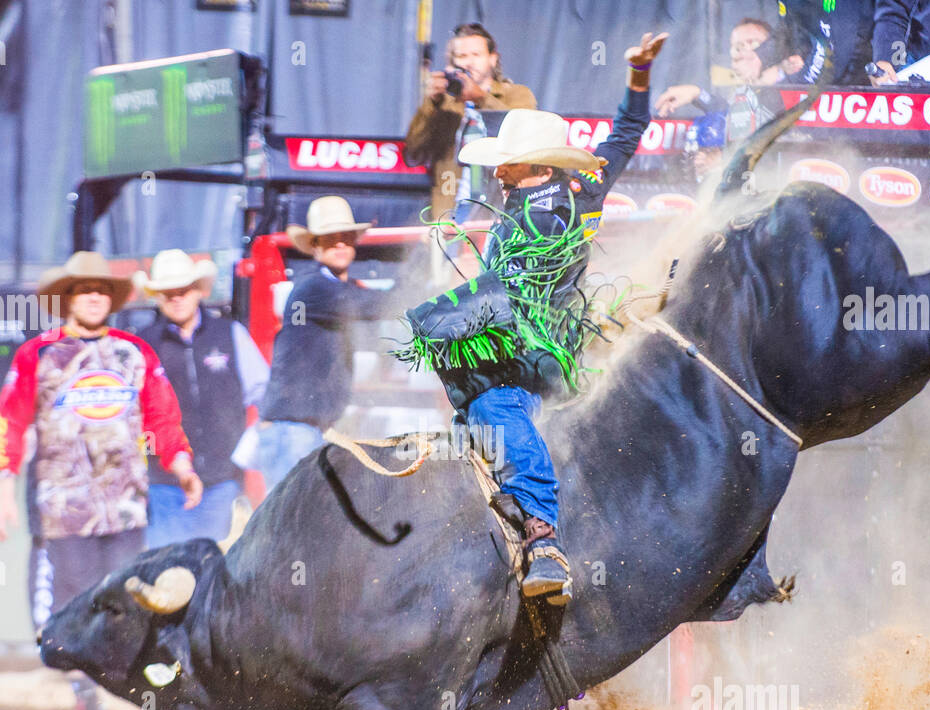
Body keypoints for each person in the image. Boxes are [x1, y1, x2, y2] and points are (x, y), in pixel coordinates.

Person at [397, 31, 668, 606]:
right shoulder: (582, 189)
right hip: (528, 334)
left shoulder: (563, 201)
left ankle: (543, 536)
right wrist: (638, 75)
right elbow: (625, 134)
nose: (496, 174)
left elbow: (625, 135)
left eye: (506, 165)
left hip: (546, 347)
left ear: (530, 165)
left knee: (493, 401)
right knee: (470, 410)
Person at [0, 251, 202, 710]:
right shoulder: (38, 355)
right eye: (84, 288)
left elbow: (162, 418)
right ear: (66, 297)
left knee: (128, 603)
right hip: (64, 510)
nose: (93, 296)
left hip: (126, 505)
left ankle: (137, 691)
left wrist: (183, 466)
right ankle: (86, 700)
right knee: (75, 605)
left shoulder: (134, 352)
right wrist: (5, 489)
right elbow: (12, 422)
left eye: (102, 289)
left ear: (112, 298)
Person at [257, 196, 409, 492]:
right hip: (294, 429)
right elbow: (386, 305)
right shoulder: (315, 289)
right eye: (330, 240)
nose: (340, 245)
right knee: (294, 521)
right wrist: (420, 260)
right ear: (315, 246)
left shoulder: (328, 288)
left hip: (302, 428)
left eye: (346, 238)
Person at [132, 249, 268, 547]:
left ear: (197, 291)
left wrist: (250, 449)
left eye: (183, 290)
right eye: (168, 293)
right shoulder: (143, 344)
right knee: (164, 573)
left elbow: (264, 393)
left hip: (224, 480)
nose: (177, 298)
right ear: (157, 297)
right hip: (163, 484)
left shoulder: (230, 334)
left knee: (218, 569)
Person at [403, 22, 537, 223]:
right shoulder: (444, 105)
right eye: (462, 56)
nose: (469, 63)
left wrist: (480, 98)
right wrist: (432, 104)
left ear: (493, 59)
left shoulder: (517, 95)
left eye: (476, 55)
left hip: (502, 212)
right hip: (451, 215)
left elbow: (525, 136)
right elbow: (413, 154)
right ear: (452, 62)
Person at [654, 20, 789, 142]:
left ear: (773, 49)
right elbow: (729, 114)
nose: (744, 52)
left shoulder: (795, 87)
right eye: (738, 47)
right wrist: (697, 93)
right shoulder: (743, 98)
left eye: (753, 44)